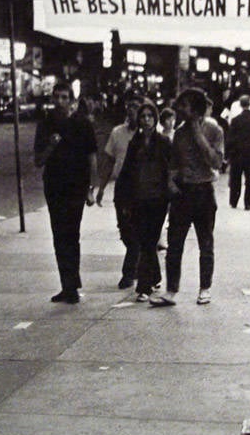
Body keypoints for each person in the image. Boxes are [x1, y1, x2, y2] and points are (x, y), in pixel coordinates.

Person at [150, 87, 224, 307]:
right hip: (183, 192)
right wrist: (172, 182)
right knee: (175, 244)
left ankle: (205, 288)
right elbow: (174, 163)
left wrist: (197, 133)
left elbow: (216, 161)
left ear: (195, 108)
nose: (180, 110)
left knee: (206, 243)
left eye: (184, 105)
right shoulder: (180, 133)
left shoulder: (213, 130)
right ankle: (172, 289)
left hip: (203, 190)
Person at [34, 82, 98, 304]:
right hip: (54, 186)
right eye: (56, 97)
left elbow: (92, 157)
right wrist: (51, 146)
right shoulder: (45, 124)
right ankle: (67, 284)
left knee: (71, 234)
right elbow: (38, 160)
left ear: (71, 100)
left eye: (64, 97)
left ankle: (72, 284)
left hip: (76, 187)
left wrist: (91, 188)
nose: (59, 101)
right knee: (59, 235)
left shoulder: (82, 124)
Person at [114, 100, 171, 302]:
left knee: (148, 240)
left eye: (150, 116)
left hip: (157, 198)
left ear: (155, 119)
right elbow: (126, 173)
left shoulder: (163, 143)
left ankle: (144, 285)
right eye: (143, 117)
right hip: (138, 198)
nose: (146, 120)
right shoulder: (134, 144)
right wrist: (122, 199)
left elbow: (170, 171)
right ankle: (152, 278)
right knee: (145, 240)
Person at [96, 92, 143, 289]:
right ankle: (139, 263)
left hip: (143, 187)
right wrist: (100, 187)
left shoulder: (149, 134)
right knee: (125, 230)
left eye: (137, 107)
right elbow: (109, 161)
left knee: (139, 230)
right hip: (123, 187)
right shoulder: (117, 133)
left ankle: (129, 272)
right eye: (130, 106)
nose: (133, 110)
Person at [226, 94, 250, 210]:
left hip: (237, 153)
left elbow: (230, 138)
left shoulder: (235, 120)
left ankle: (234, 201)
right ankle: (248, 203)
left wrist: (228, 154)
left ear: (240, 105)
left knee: (235, 178)